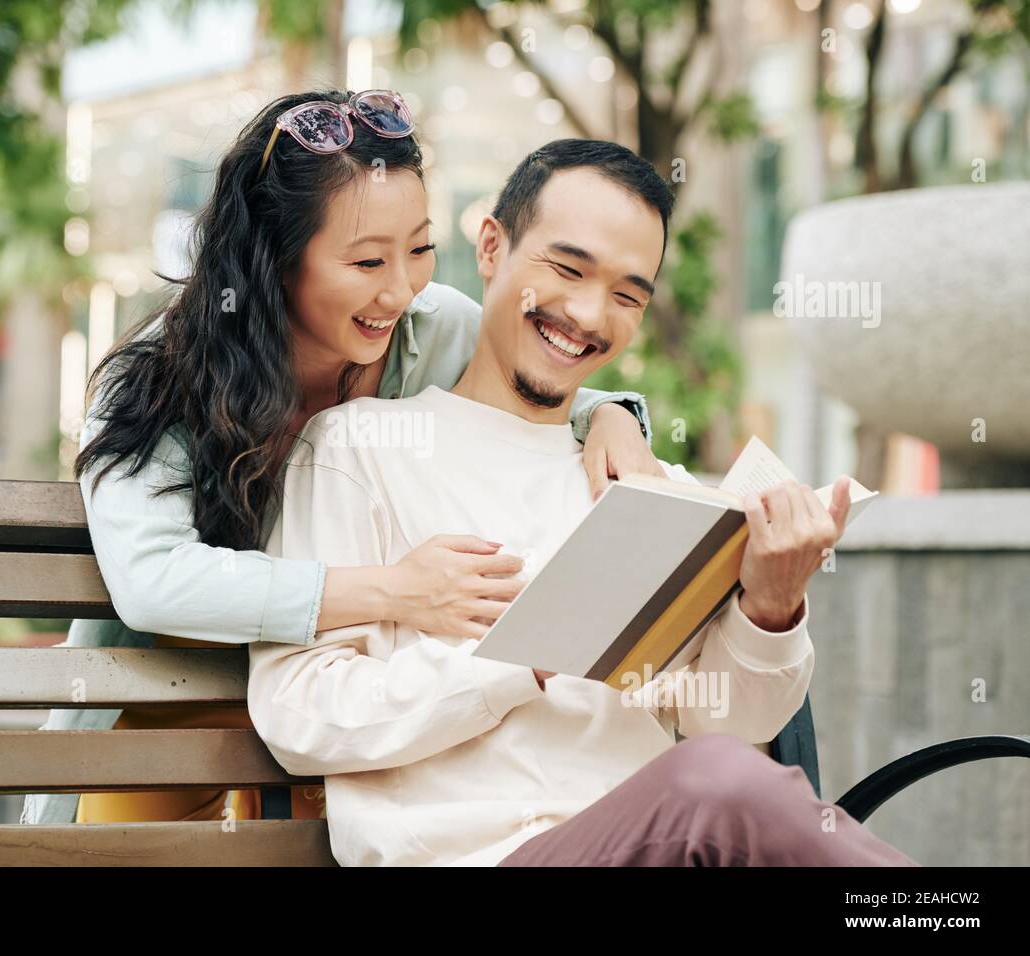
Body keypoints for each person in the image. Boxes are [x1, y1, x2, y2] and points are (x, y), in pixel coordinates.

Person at [246, 138, 921, 866]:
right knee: (715, 785)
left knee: (721, 778)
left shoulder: (652, 487)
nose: (589, 314)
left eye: (628, 294)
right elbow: (299, 713)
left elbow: (730, 724)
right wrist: (522, 659)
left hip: (660, 845)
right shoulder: (357, 450)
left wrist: (771, 606)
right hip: (481, 856)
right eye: (566, 269)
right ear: (493, 248)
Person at [20, 91, 663, 827]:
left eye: (419, 250)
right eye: (365, 261)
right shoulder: (162, 375)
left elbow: (532, 374)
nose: (399, 290)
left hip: (341, 731)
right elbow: (153, 581)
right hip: (172, 701)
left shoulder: (430, 331)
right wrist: (392, 591)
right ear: (277, 258)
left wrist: (610, 415)